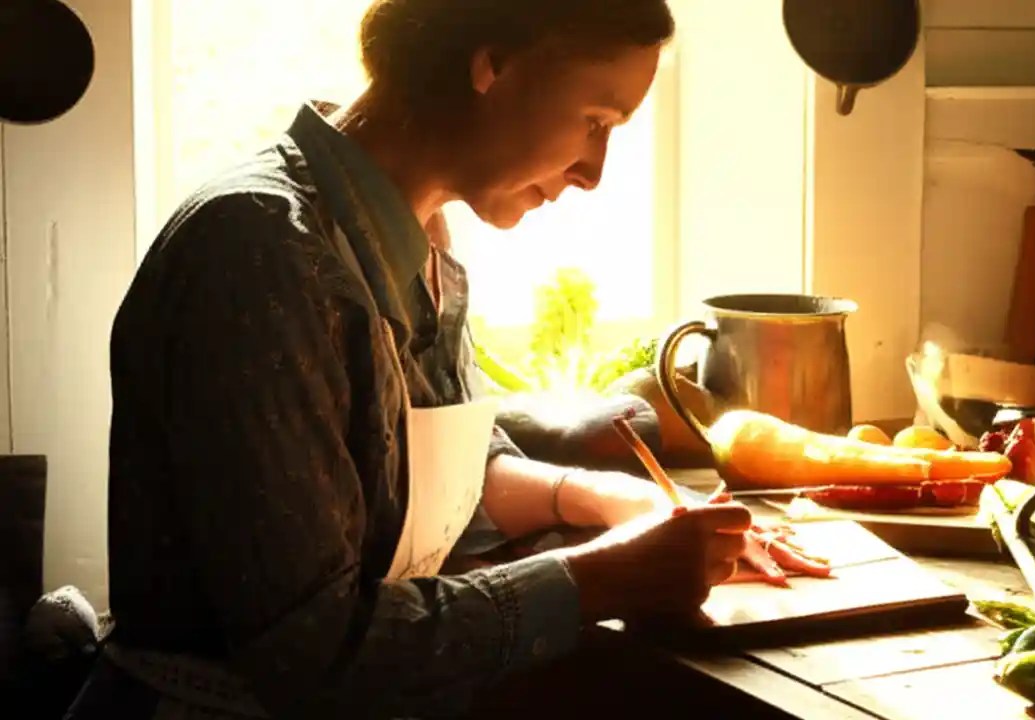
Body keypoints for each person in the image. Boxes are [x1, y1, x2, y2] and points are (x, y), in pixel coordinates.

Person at [65, 1, 751, 718]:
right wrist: (601, 580)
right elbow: (315, 650)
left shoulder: (420, 237)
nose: (594, 172)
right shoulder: (260, 253)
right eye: (596, 121)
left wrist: (609, 500)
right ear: (494, 61)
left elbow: (426, 476)